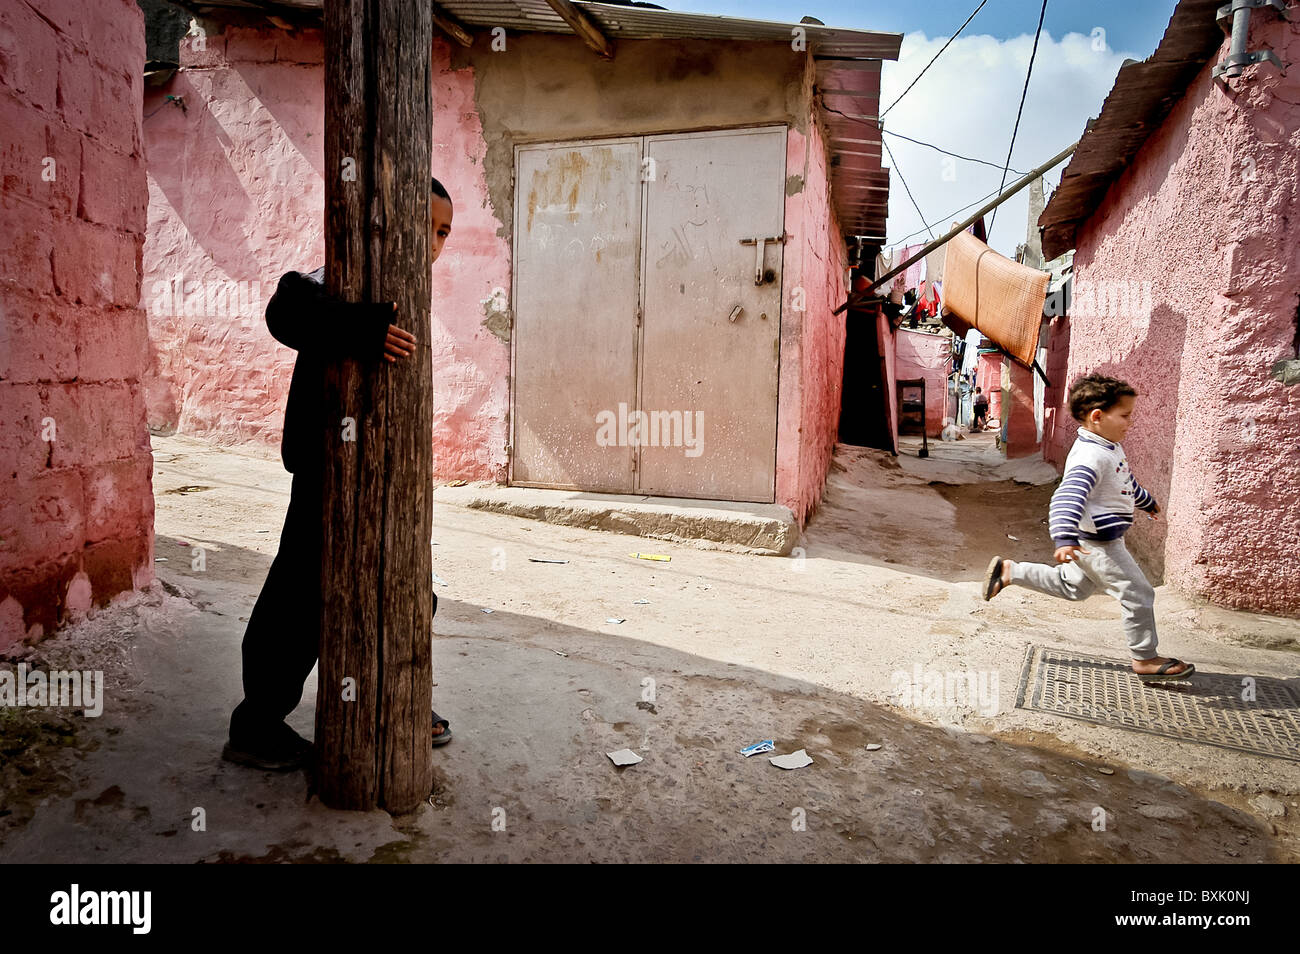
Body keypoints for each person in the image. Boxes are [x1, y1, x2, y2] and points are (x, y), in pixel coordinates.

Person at [223, 177, 457, 770]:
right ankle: (257, 725)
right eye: (425, 226)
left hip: (391, 474)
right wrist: (362, 329)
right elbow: (286, 309)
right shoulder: (343, 276)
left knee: (407, 585)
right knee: (298, 595)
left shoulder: (414, 289)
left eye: (444, 233)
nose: (433, 243)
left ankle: (396, 698)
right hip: (327, 473)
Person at [981, 374, 1194, 683]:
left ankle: (1010, 572)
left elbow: (1124, 481)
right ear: (1097, 417)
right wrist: (1064, 537)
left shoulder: (1108, 447)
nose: (1129, 422)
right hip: (1097, 544)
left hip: (1094, 541)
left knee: (1073, 588)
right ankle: (1145, 658)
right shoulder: (1090, 457)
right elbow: (1067, 498)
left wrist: (1145, 501)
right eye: (1125, 415)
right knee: (1138, 593)